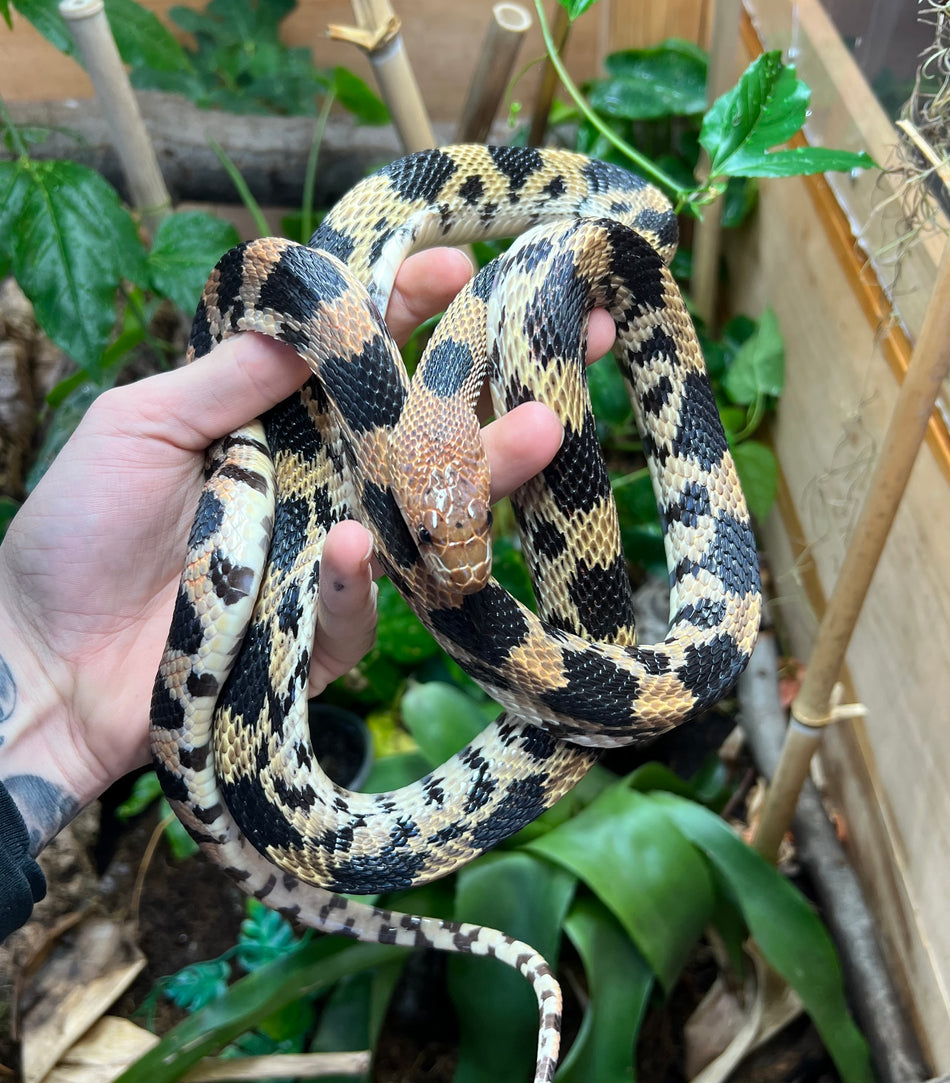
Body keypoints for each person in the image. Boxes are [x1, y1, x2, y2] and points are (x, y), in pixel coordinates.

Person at [0, 246, 615, 940]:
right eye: (434, 537)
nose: (464, 572)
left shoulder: (422, 413)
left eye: (472, 527)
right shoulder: (344, 357)